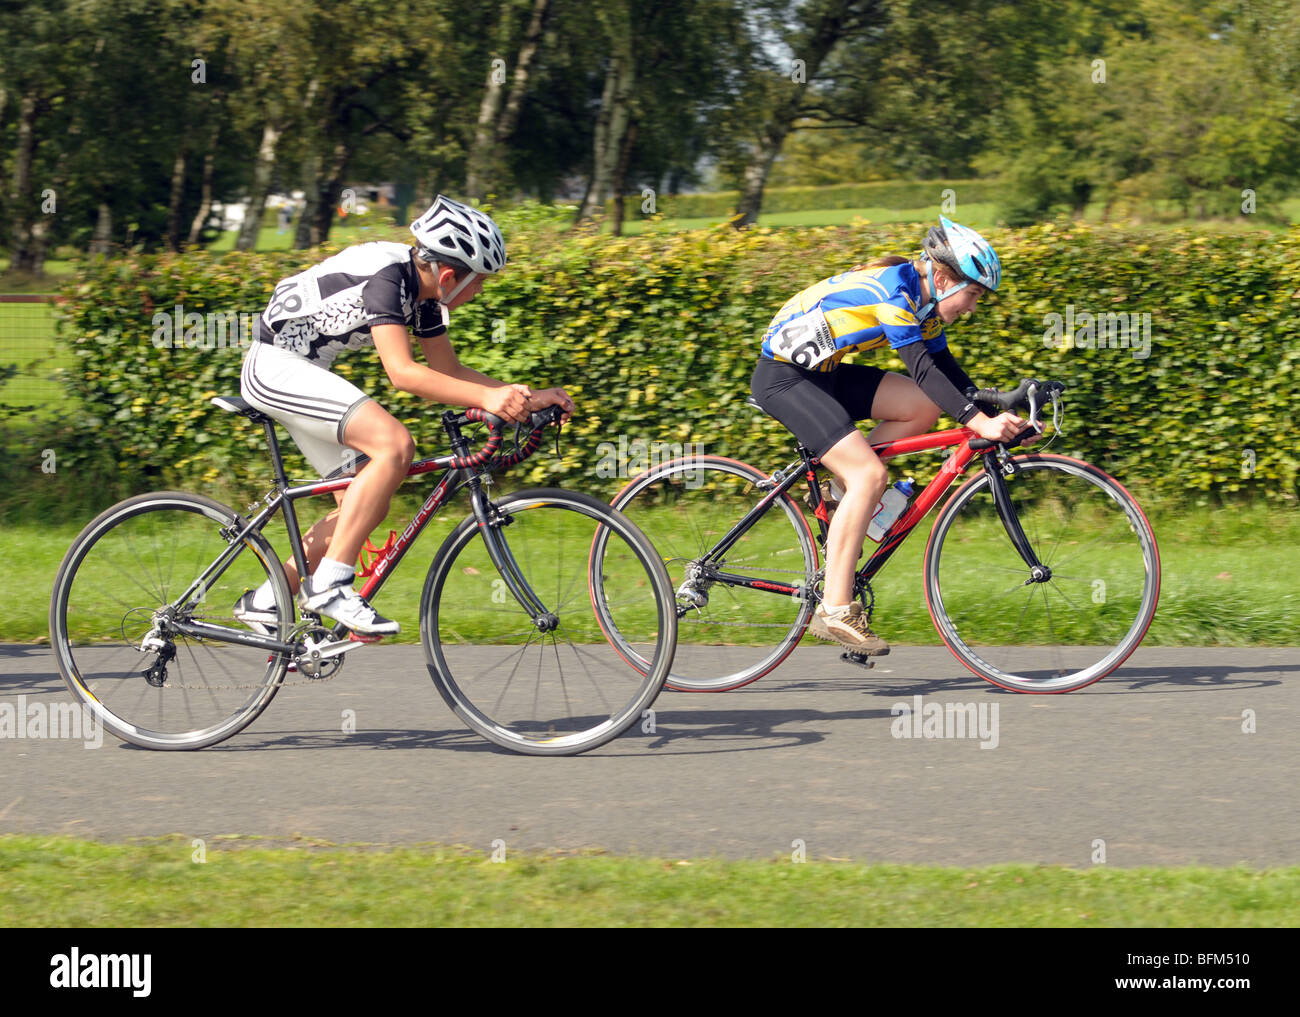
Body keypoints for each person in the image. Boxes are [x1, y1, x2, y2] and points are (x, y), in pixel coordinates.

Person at [234, 194, 574, 636]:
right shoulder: (387, 278)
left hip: (304, 370)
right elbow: (403, 373)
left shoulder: (426, 293)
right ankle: (332, 585)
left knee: (363, 501)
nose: (481, 291)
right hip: (274, 368)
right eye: (480, 282)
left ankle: (266, 600)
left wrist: (525, 399)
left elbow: (448, 372)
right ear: (450, 275)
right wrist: (490, 401)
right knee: (394, 445)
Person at [750, 215, 1032, 654]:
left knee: (922, 406)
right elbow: (919, 366)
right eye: (973, 294)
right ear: (942, 277)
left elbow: (944, 374)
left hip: (823, 374)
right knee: (870, 477)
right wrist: (978, 422)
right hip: (784, 380)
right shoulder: (893, 294)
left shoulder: (923, 302)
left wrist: (997, 407)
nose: (972, 307)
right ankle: (836, 608)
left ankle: (841, 491)